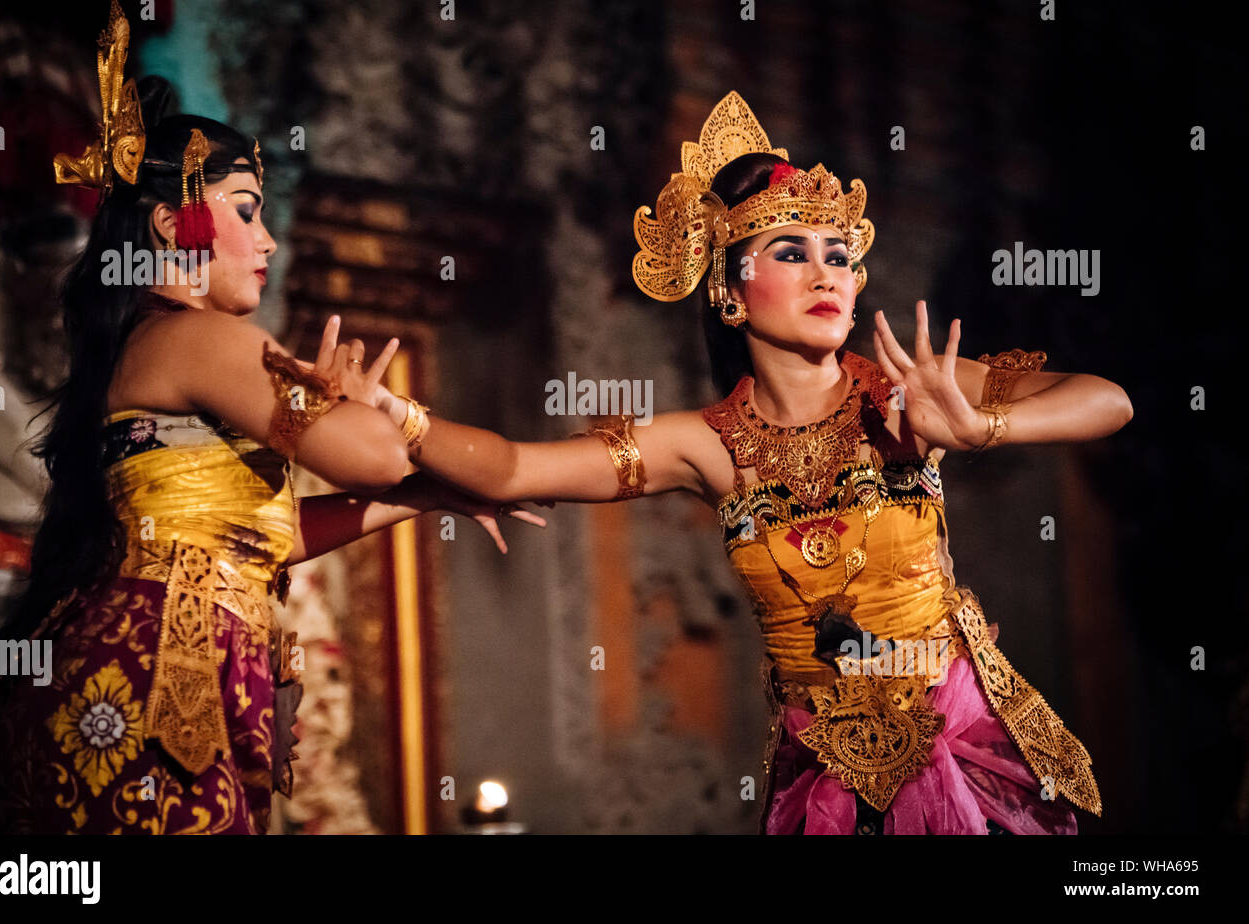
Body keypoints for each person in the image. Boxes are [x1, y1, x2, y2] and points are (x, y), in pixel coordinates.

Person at [369, 91, 1132, 834]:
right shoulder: (707, 446)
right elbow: (510, 470)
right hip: (824, 781)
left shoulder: (905, 393)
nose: (826, 273)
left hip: (960, 749)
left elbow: (1108, 399)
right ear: (730, 291)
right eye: (791, 253)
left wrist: (983, 426)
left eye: (837, 255)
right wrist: (397, 413)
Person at [0, 0, 539, 835]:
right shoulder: (203, 338)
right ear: (173, 224)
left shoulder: (148, 344)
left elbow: (259, 536)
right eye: (243, 210)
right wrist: (370, 410)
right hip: (154, 682)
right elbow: (373, 455)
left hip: (117, 670)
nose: (266, 240)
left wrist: (428, 498)